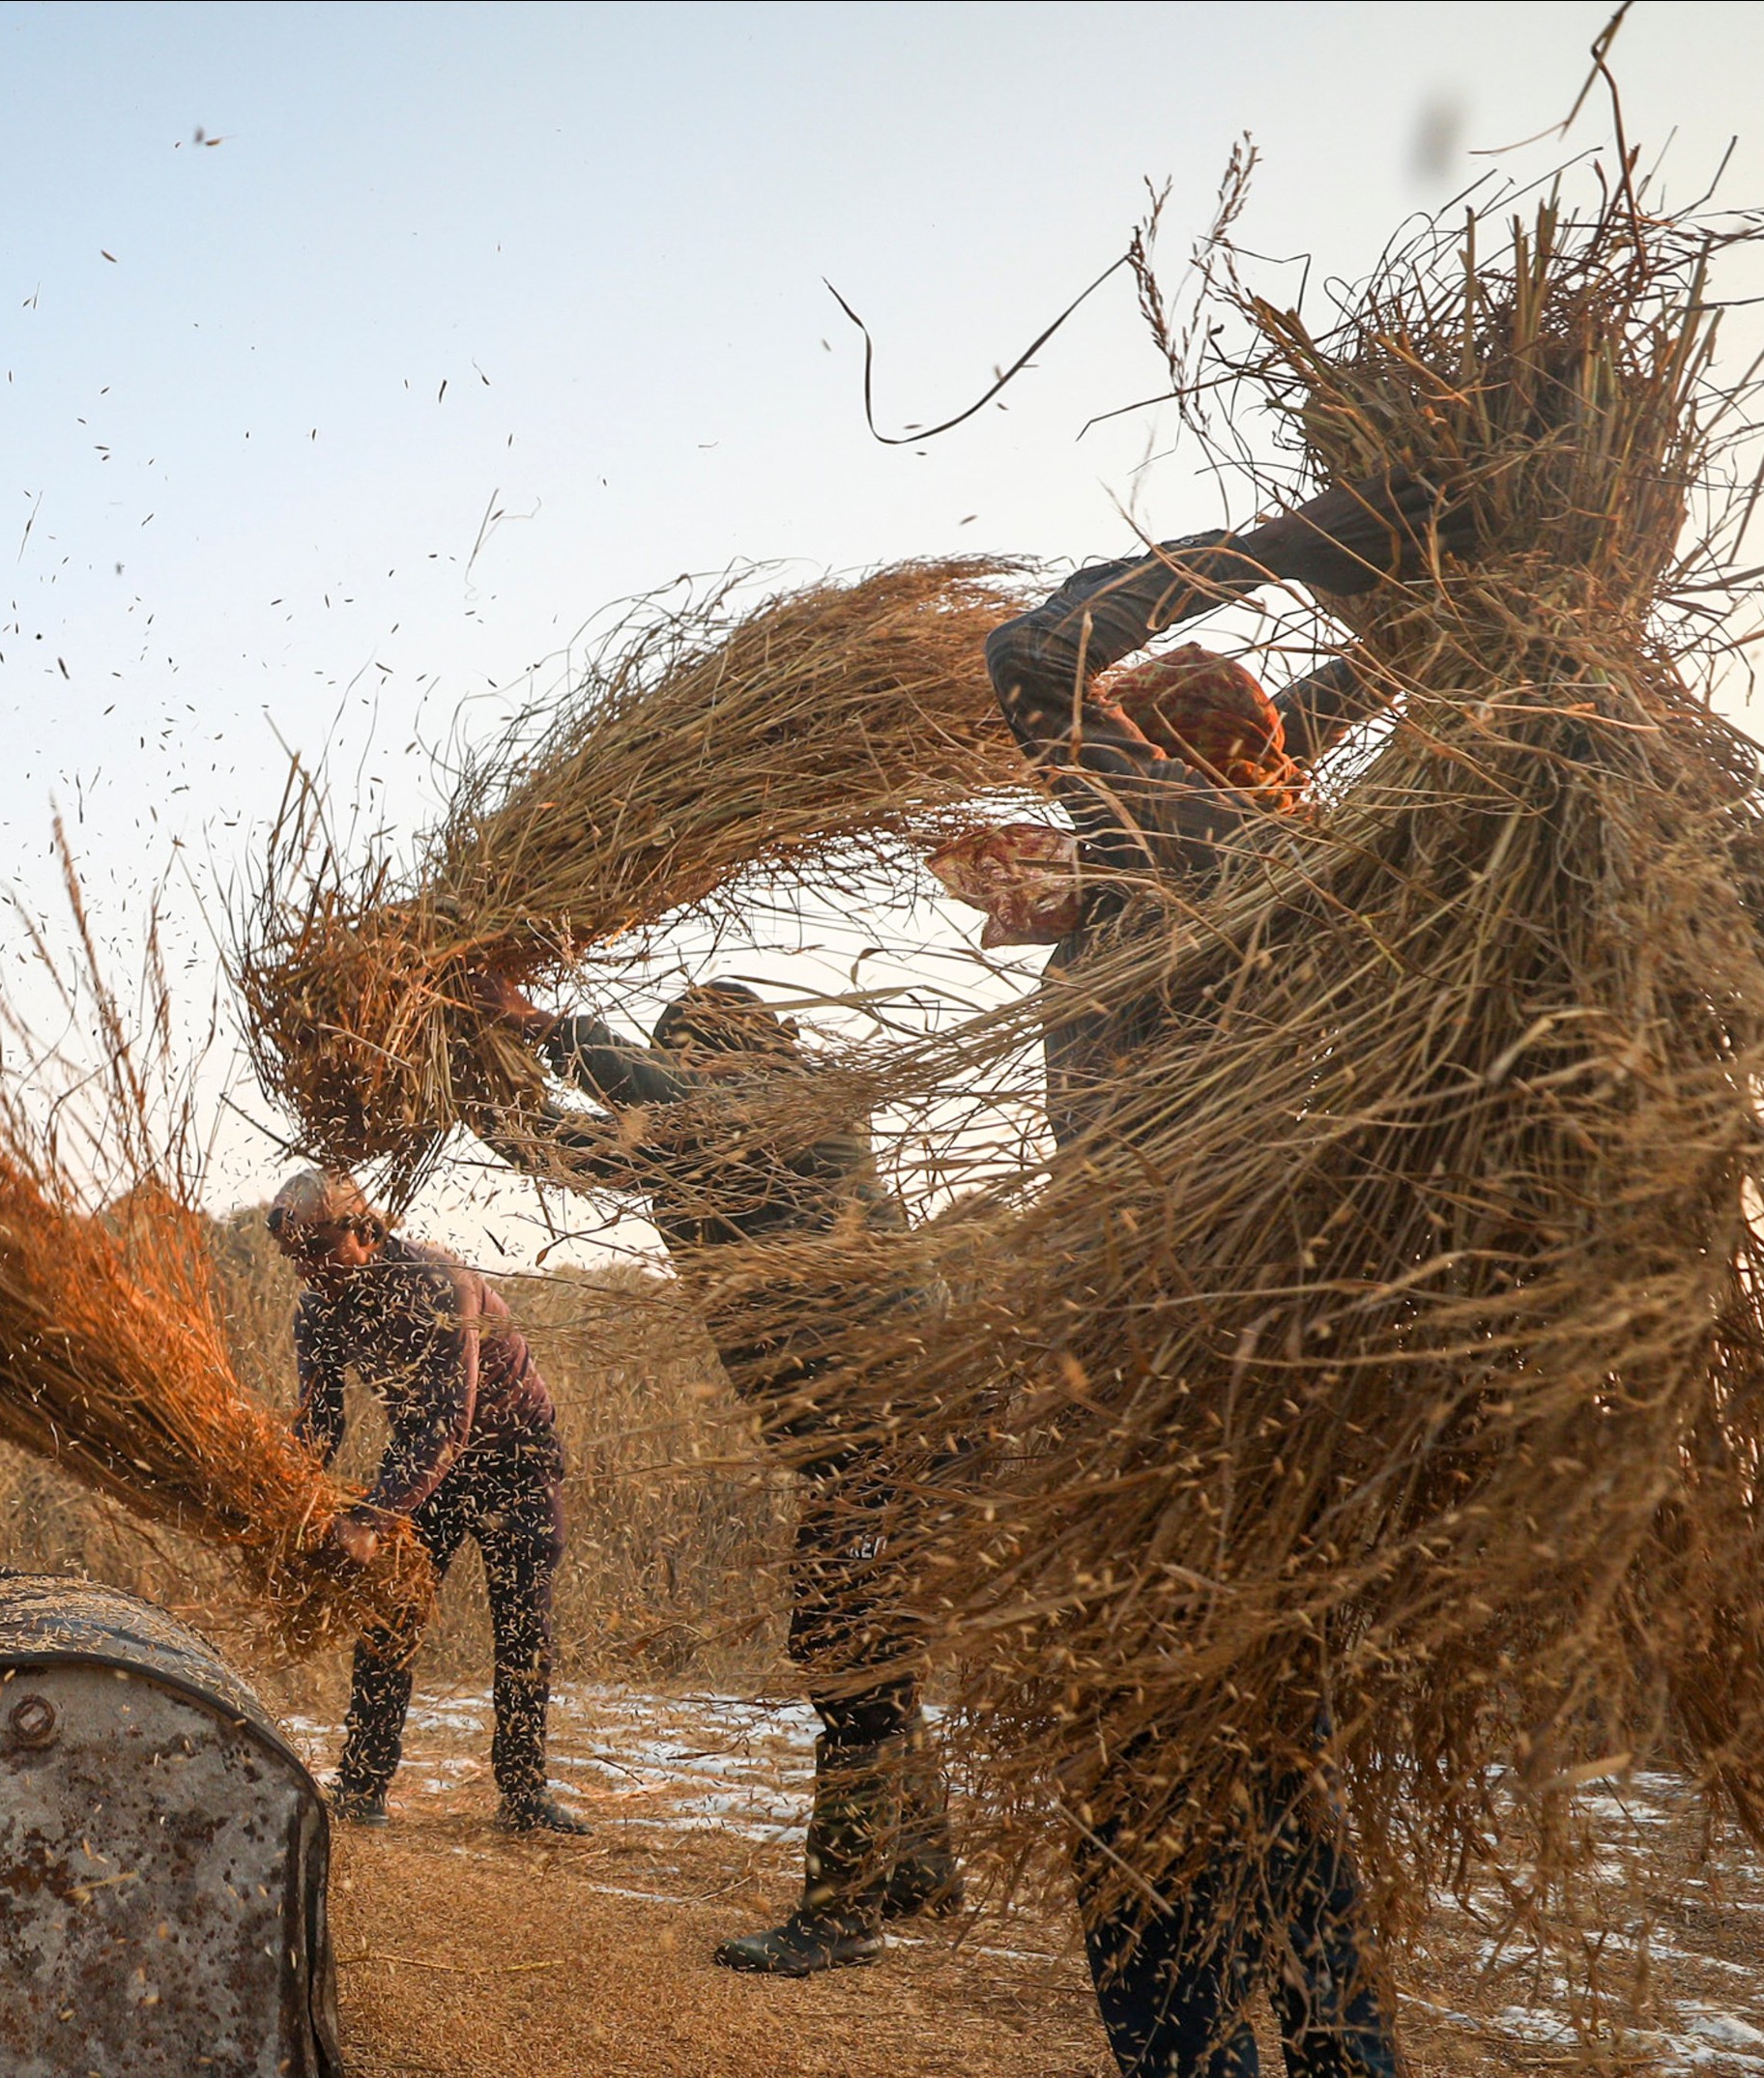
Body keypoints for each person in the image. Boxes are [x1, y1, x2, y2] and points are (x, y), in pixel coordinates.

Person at [978, 475, 1460, 2078]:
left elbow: (1028, 650)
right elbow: (1275, 735)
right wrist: (1396, 629)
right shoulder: (1277, 860)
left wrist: (1294, 542)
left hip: (1146, 1389)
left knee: (1140, 1796)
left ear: (1148, 760)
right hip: (1293, 1390)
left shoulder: (1165, 825)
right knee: (1270, 1778)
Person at [456, 973, 953, 1975]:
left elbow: (678, 1103)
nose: (681, 1070)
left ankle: (842, 1911)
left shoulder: (799, 1113)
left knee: (846, 1646)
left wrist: (544, 1026)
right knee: (868, 1642)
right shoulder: (694, 1155)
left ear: (740, 1053)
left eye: (694, 1052)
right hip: (847, 1436)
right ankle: (918, 1869)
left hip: (903, 1417)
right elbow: (559, 1145)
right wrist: (466, 1072)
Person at [269, 1169, 586, 1834]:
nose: (308, 1270)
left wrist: (371, 1518)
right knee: (389, 1617)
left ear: (367, 1230)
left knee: (522, 1629)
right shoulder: (319, 1309)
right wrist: (283, 1498)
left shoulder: (439, 1285)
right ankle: (360, 1787)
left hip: (514, 1461)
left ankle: (524, 1797)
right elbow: (320, 1423)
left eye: (320, 1251)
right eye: (294, 1257)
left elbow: (449, 1424)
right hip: (421, 1464)